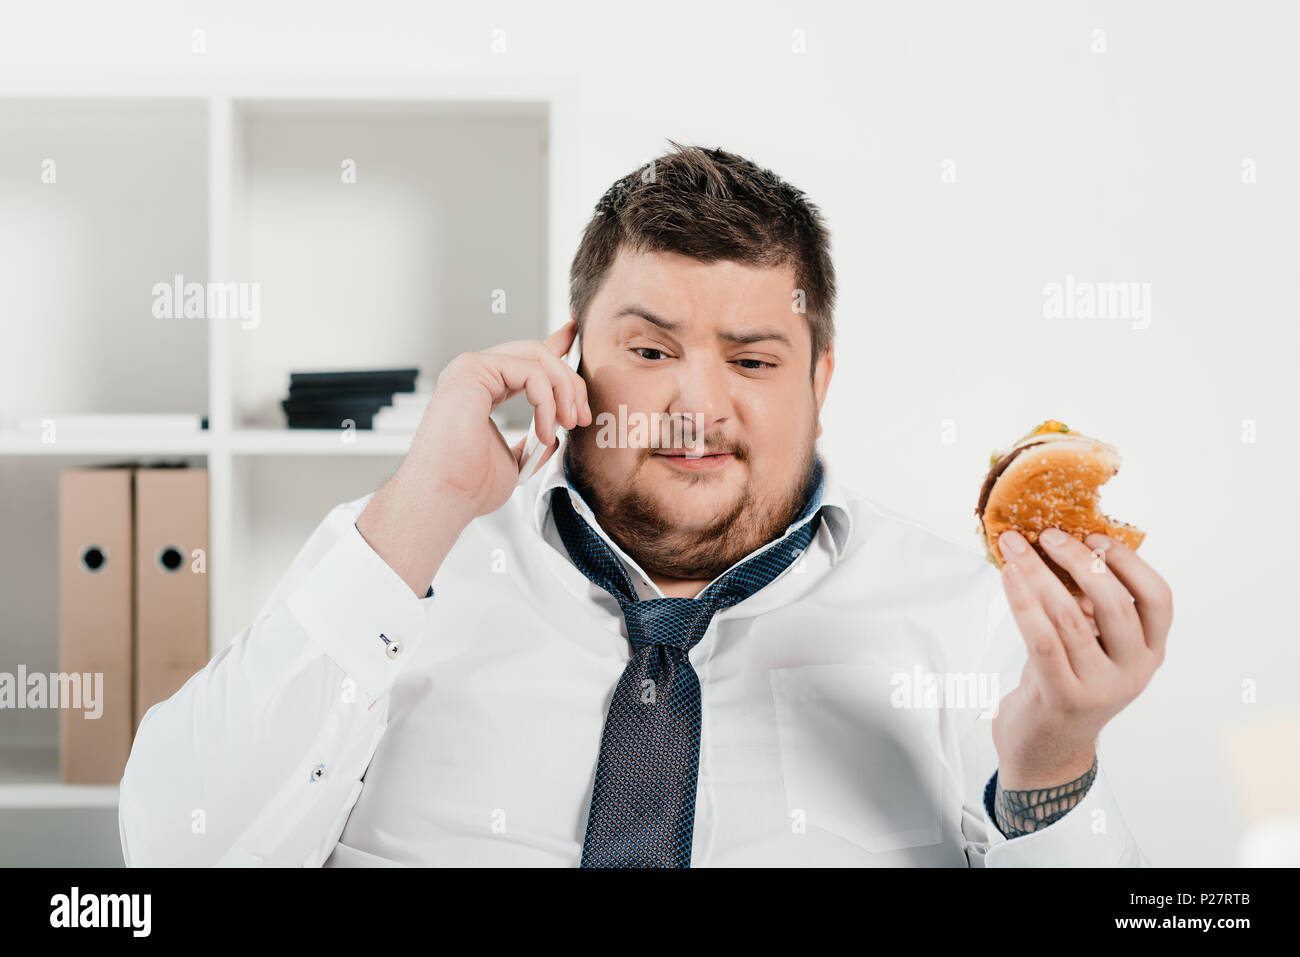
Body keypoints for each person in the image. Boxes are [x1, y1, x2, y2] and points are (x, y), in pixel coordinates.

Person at [119, 141, 1171, 866]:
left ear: (818, 386)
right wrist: (426, 501)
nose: (695, 405)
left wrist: (1052, 769)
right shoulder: (395, 567)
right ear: (567, 355)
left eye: (753, 359)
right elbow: (174, 850)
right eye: (651, 349)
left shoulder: (969, 617)